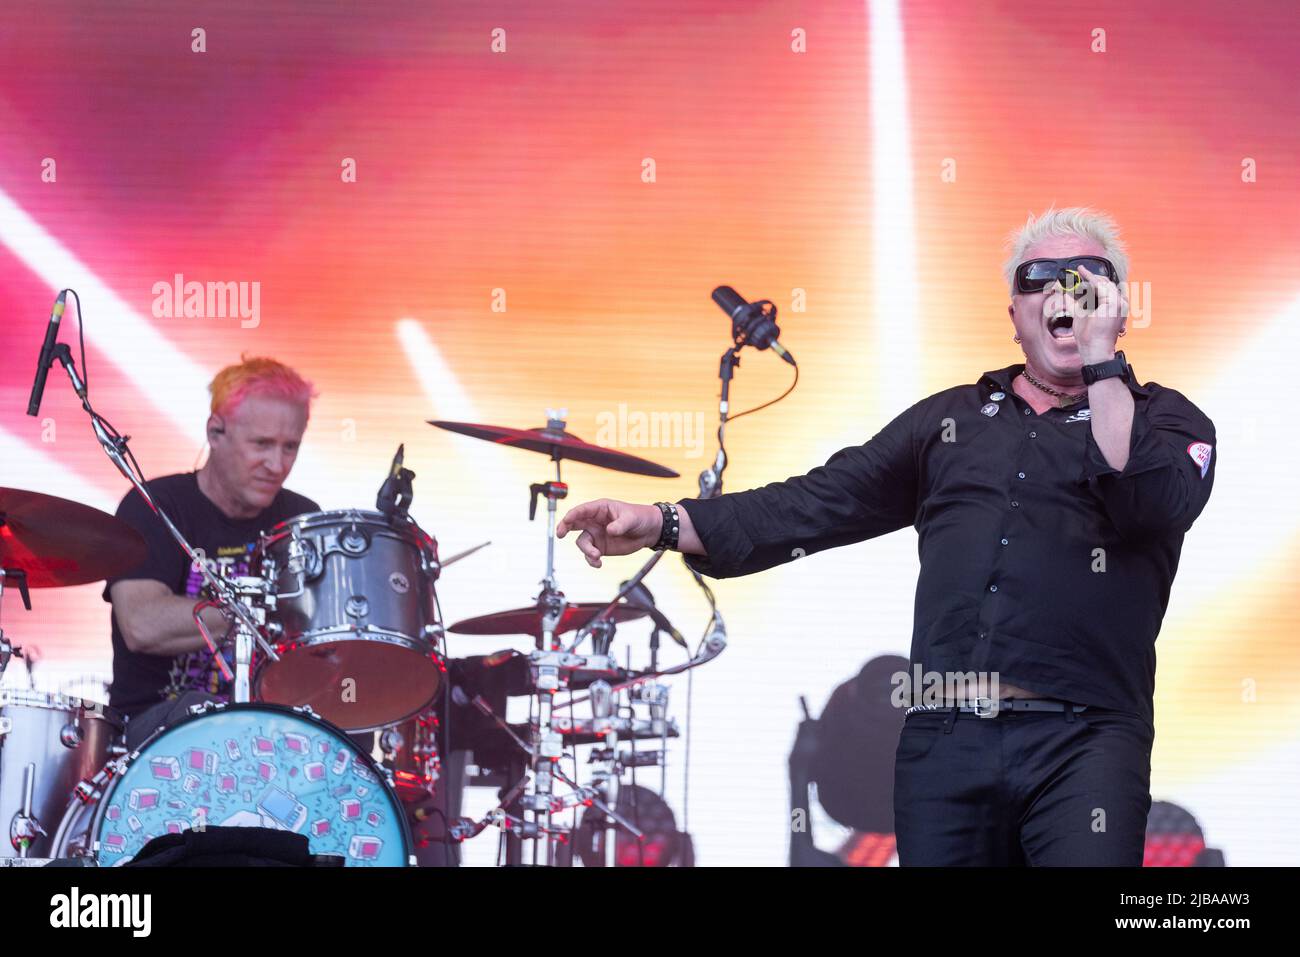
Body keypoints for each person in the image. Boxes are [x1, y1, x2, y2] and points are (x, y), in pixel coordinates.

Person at [556, 207, 1216, 866]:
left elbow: (1150, 504)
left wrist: (1102, 365)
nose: (1063, 291)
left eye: (1086, 278)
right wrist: (664, 520)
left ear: (1119, 307)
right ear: (1013, 313)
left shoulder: (1167, 421)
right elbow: (817, 501)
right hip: (947, 739)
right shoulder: (951, 421)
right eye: (1038, 277)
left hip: (1085, 740)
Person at [104, 356, 318, 748]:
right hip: (152, 731)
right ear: (215, 432)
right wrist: (263, 612)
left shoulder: (302, 519)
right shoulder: (153, 506)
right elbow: (142, 626)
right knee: (205, 715)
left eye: (290, 447)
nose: (276, 464)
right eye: (262, 444)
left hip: (267, 732)